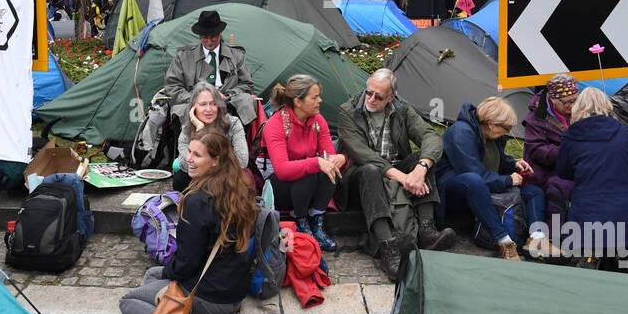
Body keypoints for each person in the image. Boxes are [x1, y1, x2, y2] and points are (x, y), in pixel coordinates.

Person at [118, 128, 259, 314]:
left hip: (212, 296)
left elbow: (186, 265)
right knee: (153, 274)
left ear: (215, 161)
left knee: (128, 300)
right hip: (235, 289)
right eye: (190, 152)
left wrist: (171, 270)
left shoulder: (197, 201)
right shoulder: (241, 188)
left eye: (197, 155)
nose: (189, 159)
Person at [338, 68, 452, 282]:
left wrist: (420, 169)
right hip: (360, 176)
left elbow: (432, 137)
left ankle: (427, 231)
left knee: (424, 156)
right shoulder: (348, 111)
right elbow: (362, 154)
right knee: (371, 170)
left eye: (379, 97)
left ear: (391, 97)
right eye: (369, 92)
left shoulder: (401, 109)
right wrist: (405, 178)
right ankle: (387, 247)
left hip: (398, 167)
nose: (371, 99)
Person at [555, 88, 628, 266]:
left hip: (588, 221)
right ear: (607, 106)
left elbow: (563, 171)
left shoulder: (571, 136)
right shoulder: (624, 133)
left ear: (578, 108)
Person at [436, 97, 544, 260]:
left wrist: (514, 164)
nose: (508, 132)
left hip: (484, 183)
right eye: (506, 128)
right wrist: (508, 180)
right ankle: (504, 241)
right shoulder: (462, 132)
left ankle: (536, 239)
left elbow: (494, 159)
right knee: (474, 181)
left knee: (534, 192)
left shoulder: (492, 134)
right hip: (455, 191)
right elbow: (476, 174)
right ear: (492, 124)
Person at [262, 73, 345, 253]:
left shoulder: (317, 120)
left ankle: (317, 221)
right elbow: (282, 170)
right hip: (278, 186)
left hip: (304, 188)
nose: (320, 101)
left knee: (329, 170)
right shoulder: (276, 124)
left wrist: (339, 159)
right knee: (308, 173)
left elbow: (329, 156)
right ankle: (300, 221)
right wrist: (317, 162)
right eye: (315, 97)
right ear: (298, 102)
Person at [163, 10, 256, 127]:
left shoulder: (237, 55)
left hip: (228, 100)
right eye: (205, 38)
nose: (209, 42)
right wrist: (194, 99)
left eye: (213, 37)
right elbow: (172, 86)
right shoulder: (183, 56)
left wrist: (228, 95)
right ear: (199, 36)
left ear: (220, 33)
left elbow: (247, 83)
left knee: (246, 101)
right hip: (194, 101)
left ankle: (240, 141)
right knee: (179, 111)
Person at [523, 74, 579, 232]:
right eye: (568, 102)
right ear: (553, 100)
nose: (573, 105)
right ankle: (554, 235)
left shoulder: (578, 112)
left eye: (576, 100)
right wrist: (567, 151)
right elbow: (535, 150)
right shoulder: (535, 119)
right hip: (546, 173)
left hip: (572, 168)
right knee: (559, 187)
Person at [174, 81, 248, 193]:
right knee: (180, 179)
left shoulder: (233, 124)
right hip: (198, 178)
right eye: (203, 104)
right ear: (194, 107)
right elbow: (185, 163)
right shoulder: (187, 128)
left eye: (213, 104)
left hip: (227, 177)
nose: (209, 109)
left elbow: (242, 161)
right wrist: (200, 130)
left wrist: (204, 163)